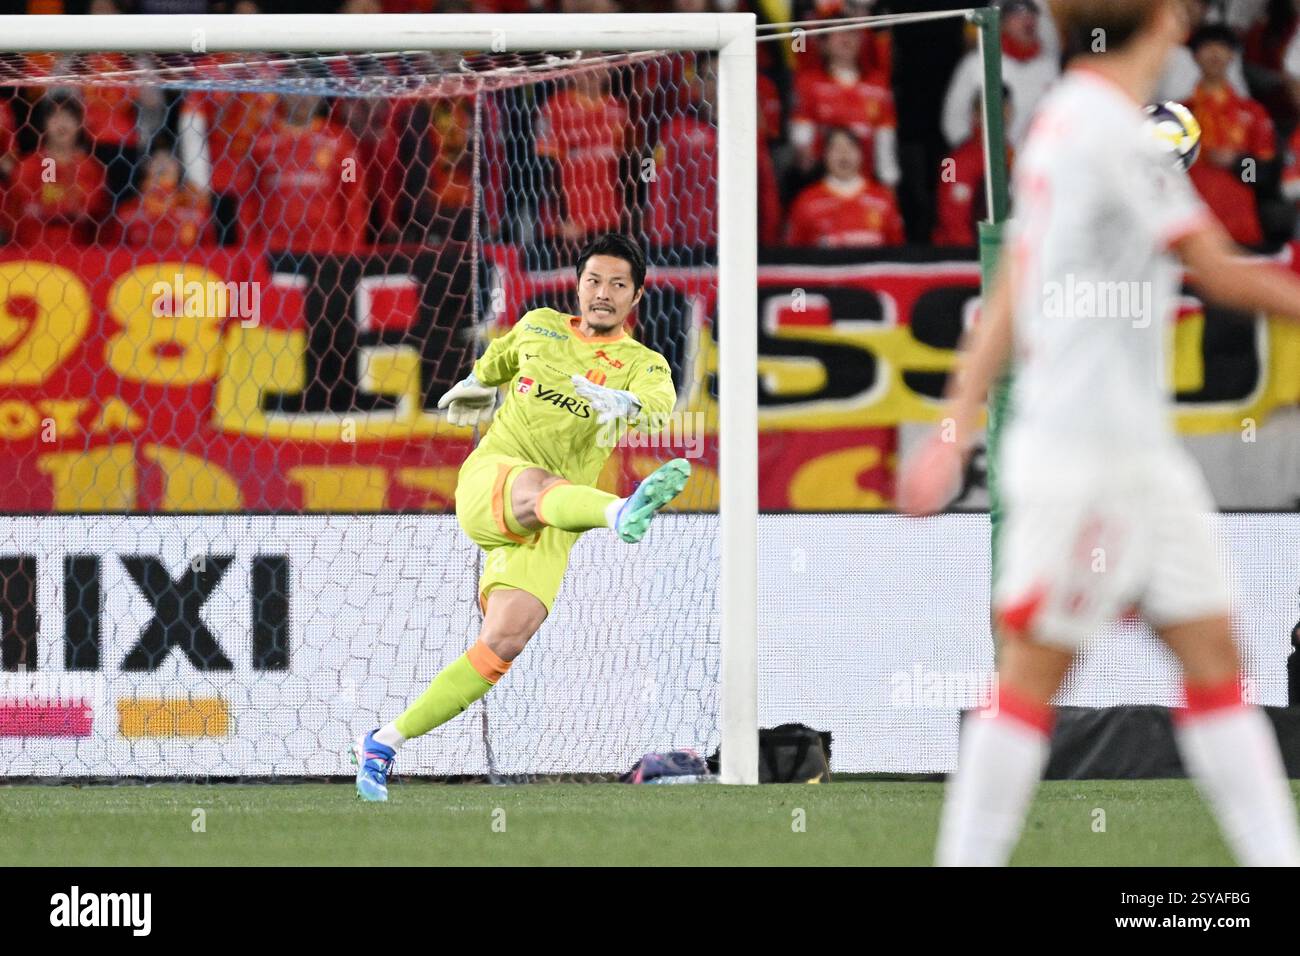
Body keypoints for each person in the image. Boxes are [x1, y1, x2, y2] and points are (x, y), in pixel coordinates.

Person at [900, 0, 1300, 866]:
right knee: (1036, 675)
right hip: (1081, 456)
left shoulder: (1070, 122)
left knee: (1215, 655)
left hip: (1138, 459)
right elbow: (1222, 274)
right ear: (1164, 26)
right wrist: (955, 421)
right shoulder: (1110, 133)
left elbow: (1012, 284)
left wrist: (953, 419)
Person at [353, 234, 688, 801]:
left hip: (554, 521)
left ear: (636, 297)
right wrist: (477, 384)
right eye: (594, 281)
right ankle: (620, 511)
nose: (603, 294)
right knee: (539, 488)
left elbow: (660, 407)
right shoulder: (538, 326)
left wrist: (629, 404)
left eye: (617, 285)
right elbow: (497, 359)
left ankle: (383, 743)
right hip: (494, 480)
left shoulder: (642, 364)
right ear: (578, 284)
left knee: (504, 640)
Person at [1184, 24, 1277, 246]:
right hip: (1190, 229)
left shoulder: (1253, 112)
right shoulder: (1179, 112)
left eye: (1223, 47)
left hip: (1240, 227)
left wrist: (1238, 163)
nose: (1215, 53)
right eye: (1207, 47)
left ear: (1232, 55)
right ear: (1194, 56)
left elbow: (1266, 179)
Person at [942, 0, 1058, 150]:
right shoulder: (976, 62)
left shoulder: (1050, 66)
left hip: (1037, 160)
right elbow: (953, 120)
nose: (1027, 19)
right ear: (1001, 21)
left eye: (1032, 12)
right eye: (1016, 13)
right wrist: (980, 155)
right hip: (990, 164)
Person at [0, 96, 107, 247]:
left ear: (80, 124)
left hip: (77, 254)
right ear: (45, 123)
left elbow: (88, 212)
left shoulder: (90, 169)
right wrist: (64, 210)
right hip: (30, 252)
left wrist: (49, 209)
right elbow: (22, 207)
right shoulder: (29, 166)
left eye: (68, 118)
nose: (61, 124)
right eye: (55, 117)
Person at [785, 126, 905, 247]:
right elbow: (792, 255)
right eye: (836, 148)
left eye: (850, 147)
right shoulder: (807, 201)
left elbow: (898, 253)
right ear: (825, 155)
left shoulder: (883, 199)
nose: (844, 154)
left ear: (862, 154)